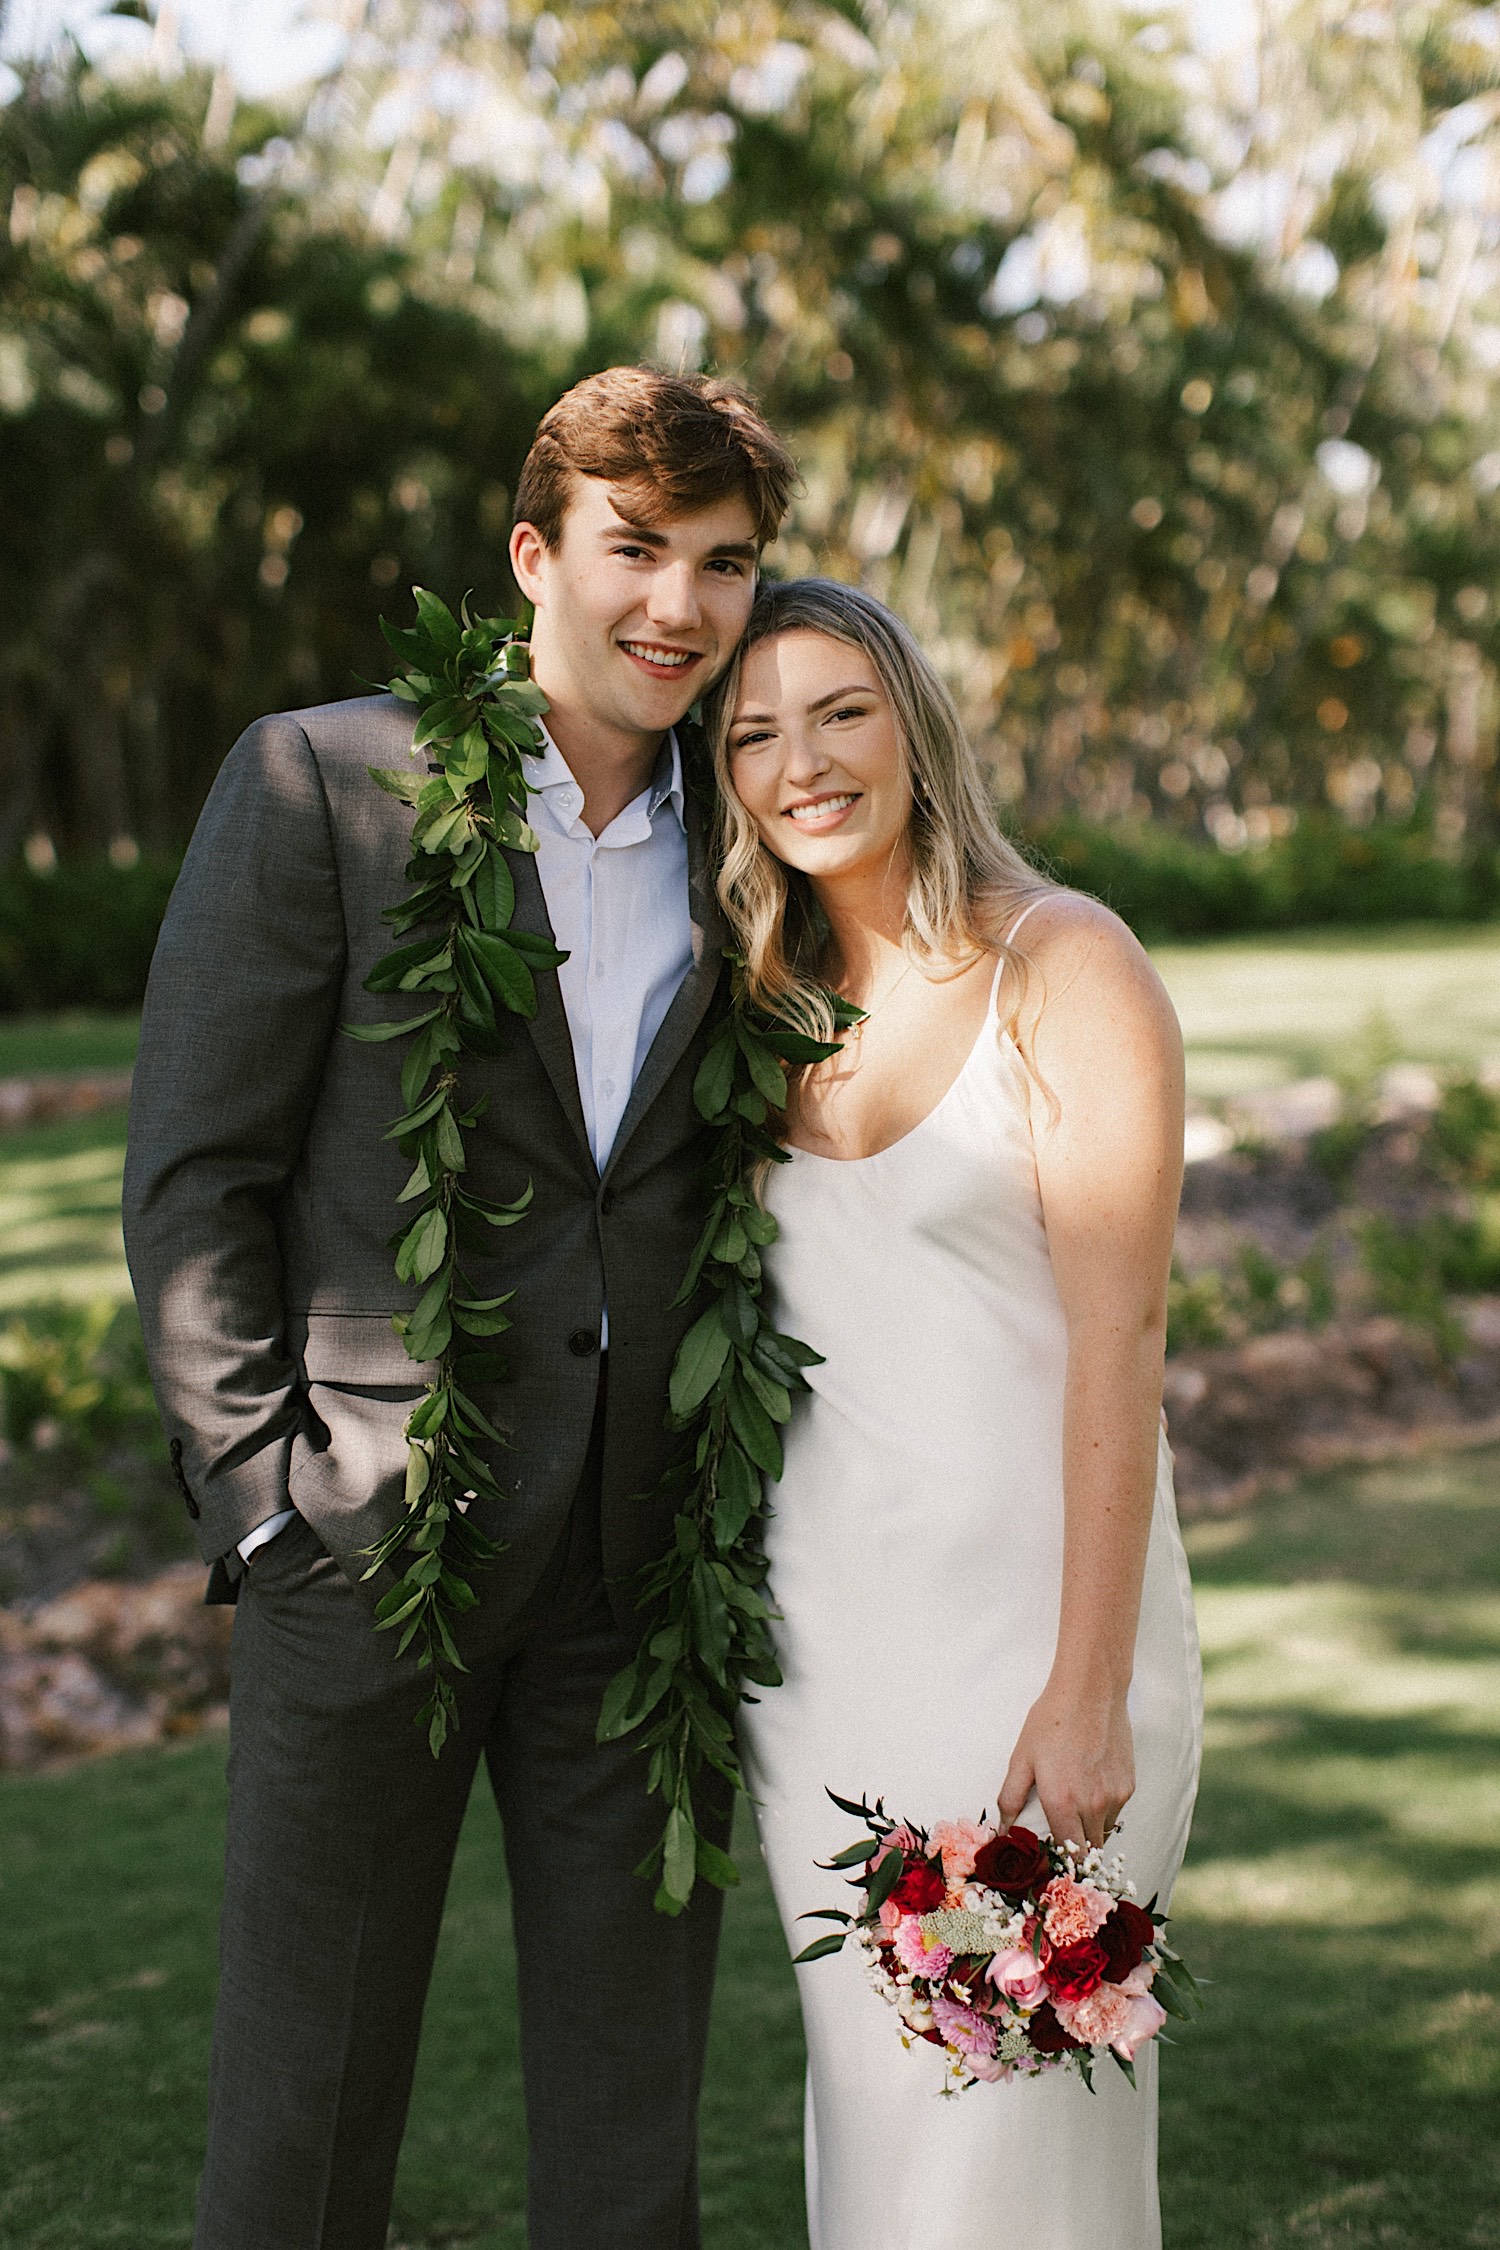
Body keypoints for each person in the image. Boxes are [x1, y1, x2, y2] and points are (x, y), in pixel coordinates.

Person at [121, 366, 796, 2250]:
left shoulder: (752, 831)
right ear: (532, 553)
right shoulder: (321, 783)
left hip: (640, 1574)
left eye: (724, 563)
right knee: (303, 2123)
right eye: (635, 547)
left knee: (631, 2144)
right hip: (365, 1547)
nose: (678, 604)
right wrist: (265, 1498)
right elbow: (194, 1173)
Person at [712, 579, 1203, 2249]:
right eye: (754, 732)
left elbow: (1121, 1339)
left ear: (915, 727)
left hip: (1040, 1646)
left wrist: (1089, 1686)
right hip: (827, 1661)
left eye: (841, 711)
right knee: (881, 2145)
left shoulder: (1064, 964)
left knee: (1016, 2166)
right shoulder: (753, 1011)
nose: (803, 762)